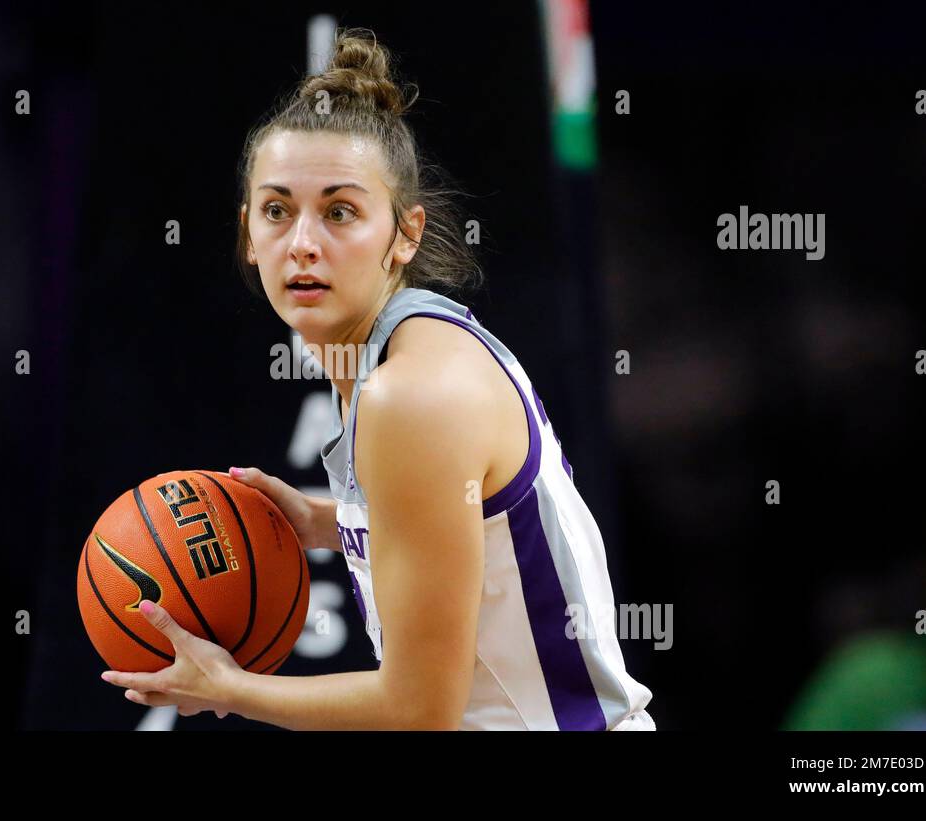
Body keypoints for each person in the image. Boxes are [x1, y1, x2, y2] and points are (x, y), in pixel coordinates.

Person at [100, 28, 654, 730]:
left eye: (339, 211)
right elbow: (474, 529)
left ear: (405, 234)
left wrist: (229, 687)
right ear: (247, 233)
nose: (302, 241)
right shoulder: (406, 351)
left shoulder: (411, 394)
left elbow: (419, 707)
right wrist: (321, 522)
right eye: (277, 210)